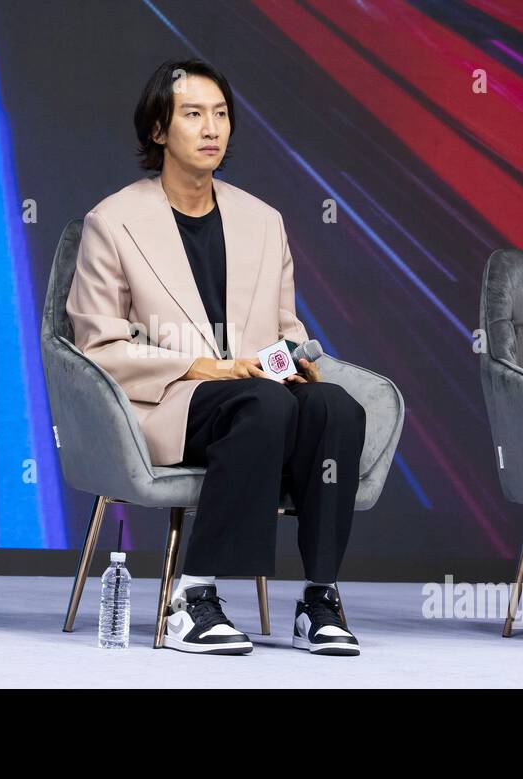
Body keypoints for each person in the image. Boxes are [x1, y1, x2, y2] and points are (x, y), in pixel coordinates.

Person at [66, 60, 367, 656]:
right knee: (259, 404)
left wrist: (294, 356)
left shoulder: (263, 220)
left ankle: (319, 597)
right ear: (158, 130)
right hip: (168, 402)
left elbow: (284, 325)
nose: (212, 129)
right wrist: (210, 368)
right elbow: (97, 346)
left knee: (335, 407)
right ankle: (193, 597)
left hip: (256, 394)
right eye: (194, 114)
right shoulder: (114, 221)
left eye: (221, 115)